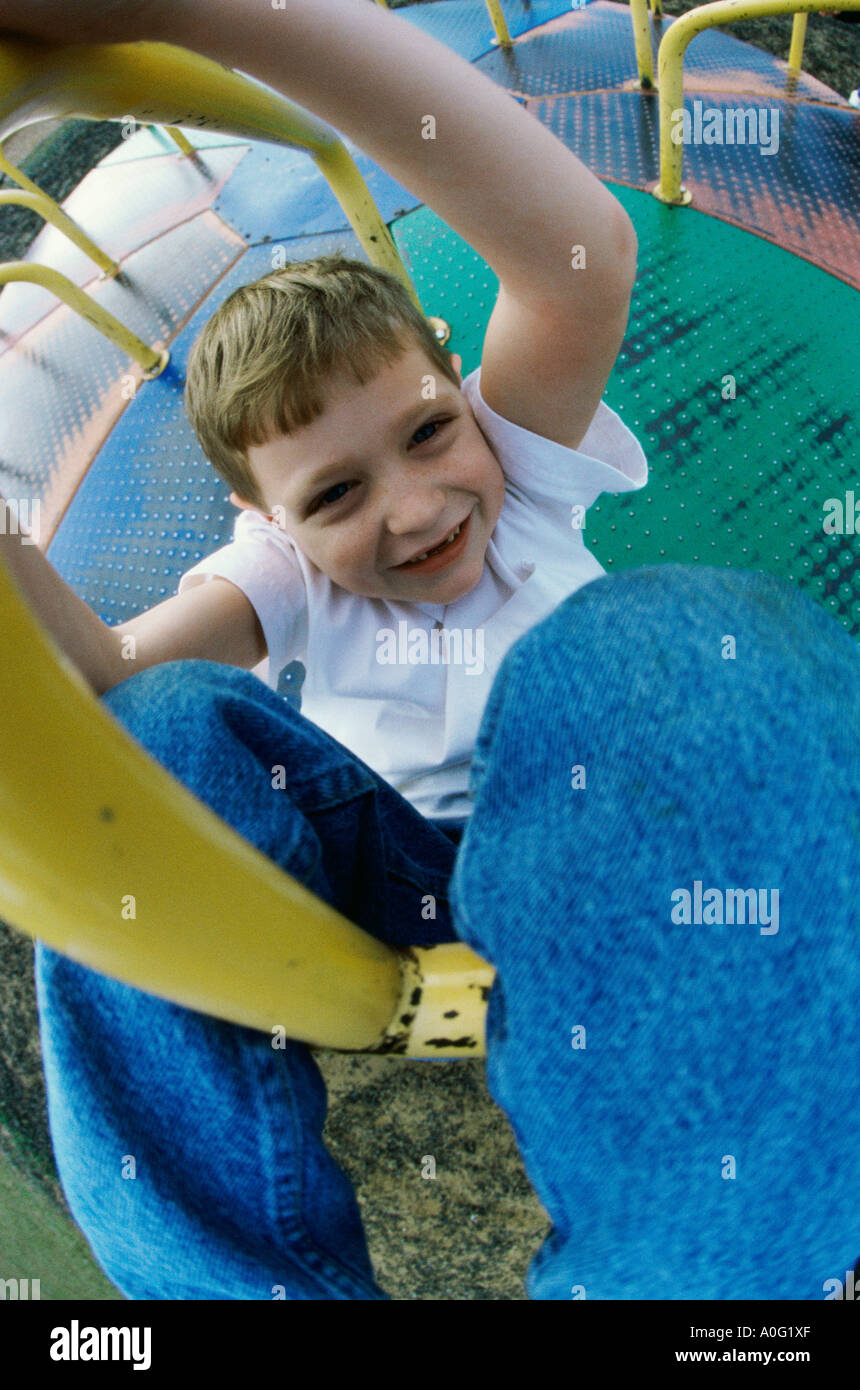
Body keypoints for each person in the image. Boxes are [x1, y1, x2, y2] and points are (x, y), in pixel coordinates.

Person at [1, 0, 857, 1301]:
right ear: (266, 521)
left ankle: (710, 1283)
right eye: (332, 497)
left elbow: (579, 262)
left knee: (679, 643)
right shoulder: (277, 575)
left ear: (460, 385)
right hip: (408, 867)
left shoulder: (519, 462)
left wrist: (212, 16)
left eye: (422, 434)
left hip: (592, 835)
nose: (411, 508)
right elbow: (111, 683)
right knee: (166, 722)